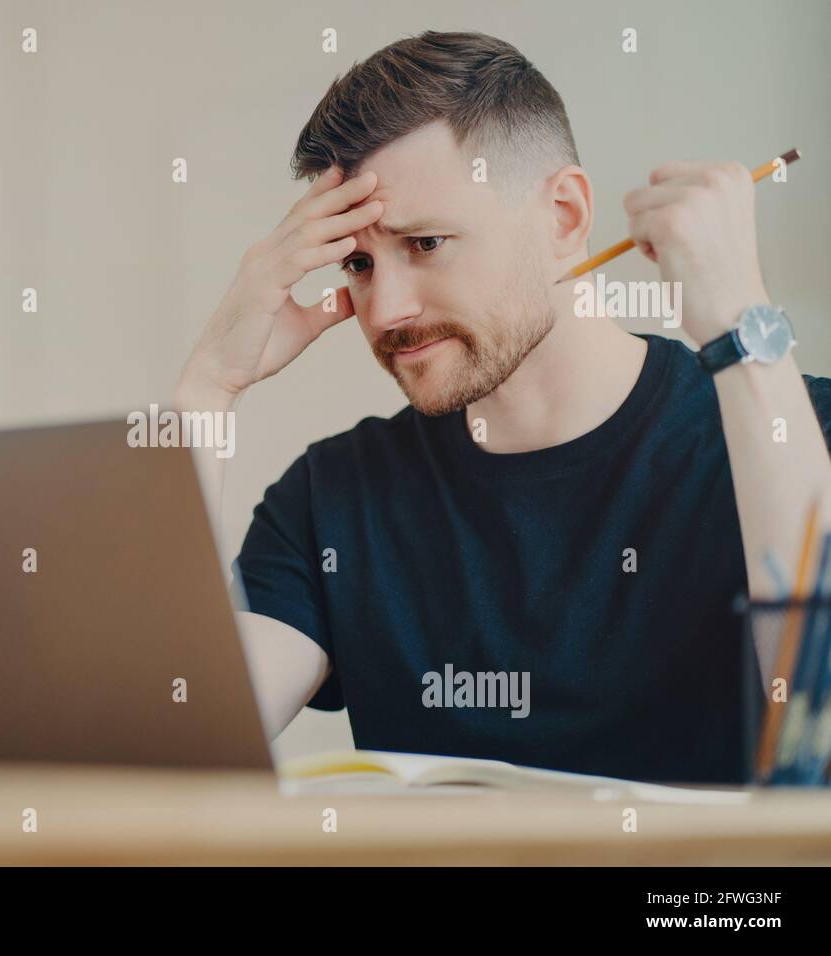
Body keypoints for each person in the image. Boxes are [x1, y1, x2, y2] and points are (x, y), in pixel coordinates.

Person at [173, 31, 831, 783]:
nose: (384, 309)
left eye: (424, 243)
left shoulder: (795, 430)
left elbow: (819, 712)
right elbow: (160, 756)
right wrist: (208, 390)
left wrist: (739, 320)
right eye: (358, 262)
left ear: (562, 218)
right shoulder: (330, 500)